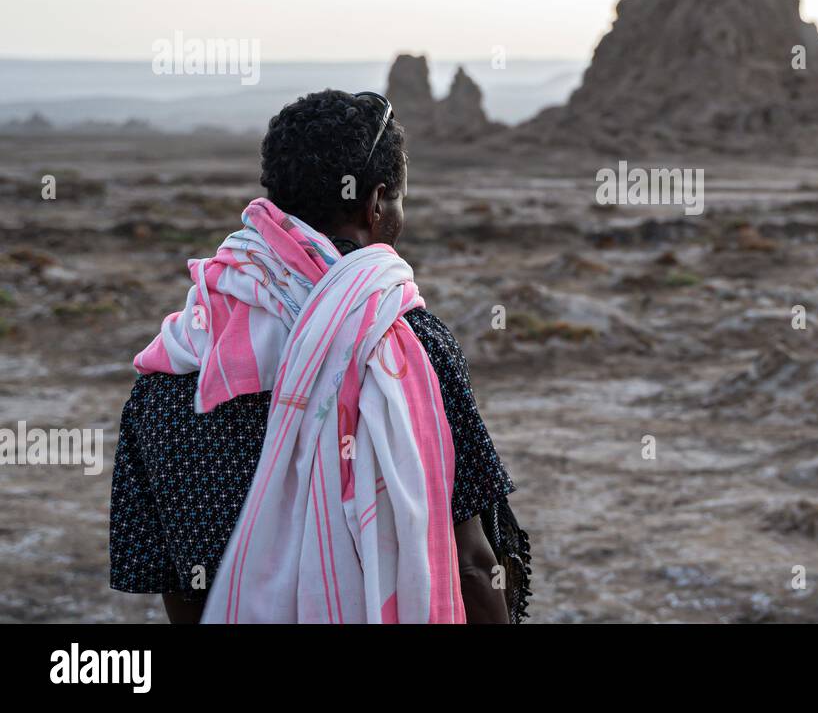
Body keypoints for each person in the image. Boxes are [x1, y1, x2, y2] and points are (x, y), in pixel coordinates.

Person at [109, 89, 528, 623]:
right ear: (377, 204)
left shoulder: (172, 366)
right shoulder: (407, 345)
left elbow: (176, 585)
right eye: (399, 199)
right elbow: (471, 563)